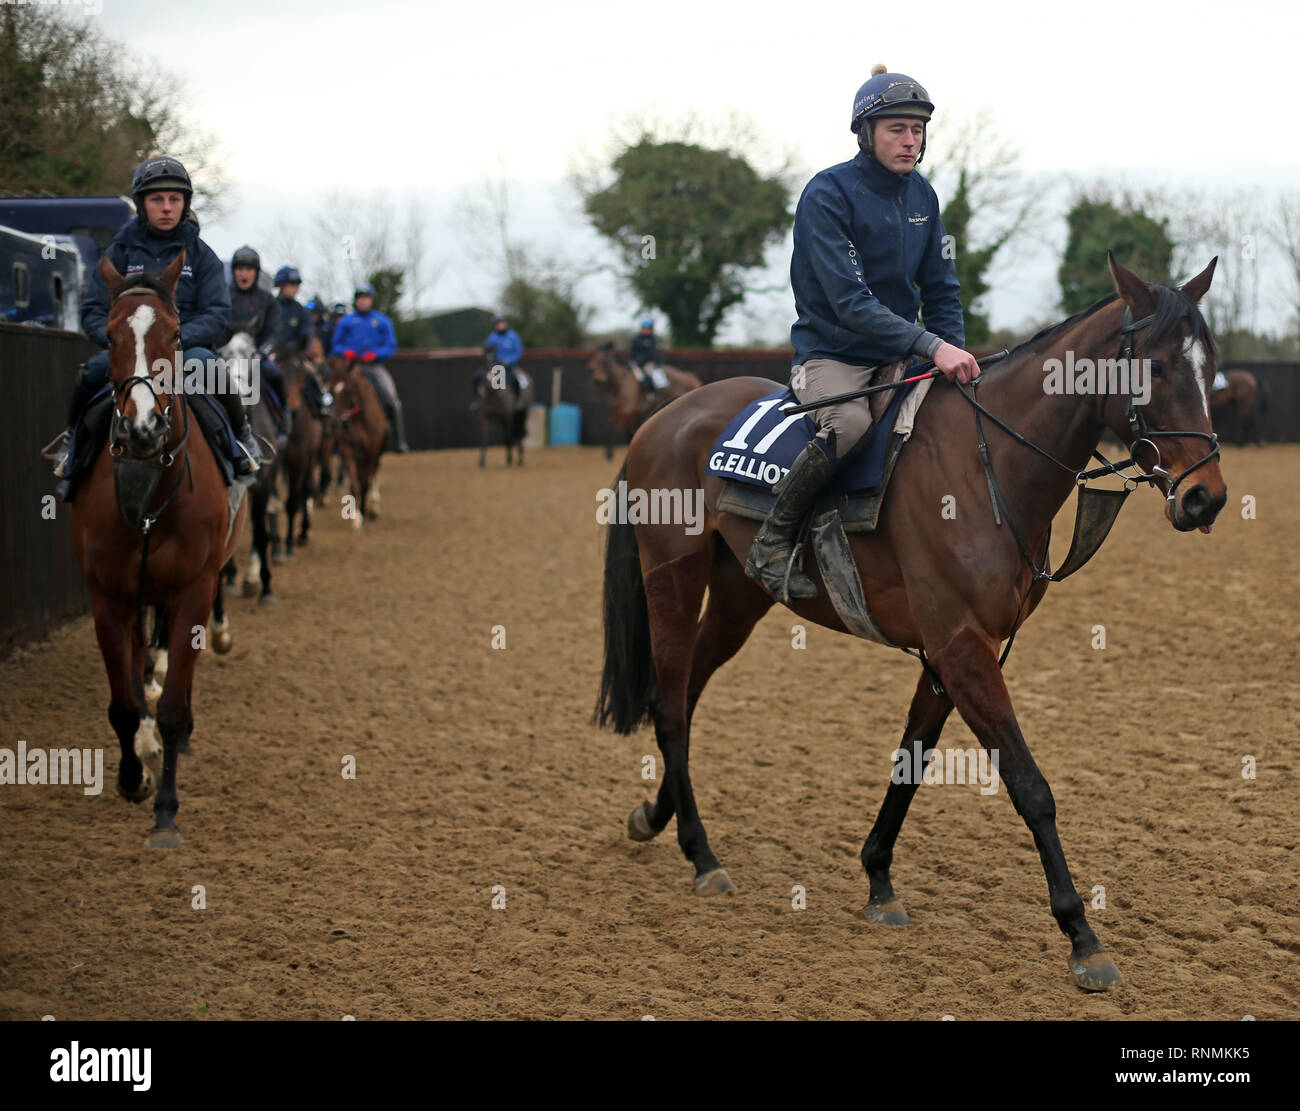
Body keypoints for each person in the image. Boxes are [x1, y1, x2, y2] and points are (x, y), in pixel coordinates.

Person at [744, 65, 980, 602]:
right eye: (897, 128)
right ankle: (773, 541)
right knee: (849, 425)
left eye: (918, 129)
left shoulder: (924, 197)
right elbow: (850, 303)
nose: (910, 140)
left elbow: (942, 290)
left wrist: (954, 352)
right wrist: (932, 346)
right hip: (832, 355)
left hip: (902, 354)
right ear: (865, 132)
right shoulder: (827, 194)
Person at [47, 155, 260, 484]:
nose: (166, 207)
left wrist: (171, 341)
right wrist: (122, 341)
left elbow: (218, 314)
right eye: (157, 199)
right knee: (91, 371)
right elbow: (92, 310)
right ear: (142, 203)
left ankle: (240, 440)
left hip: (185, 351)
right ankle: (72, 443)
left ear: (184, 204)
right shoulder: (119, 251)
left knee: (213, 370)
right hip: (130, 352)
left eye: (174, 200)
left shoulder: (203, 256)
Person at [330, 282, 409, 451]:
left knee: (392, 398)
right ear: (355, 301)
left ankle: (399, 439)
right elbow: (335, 344)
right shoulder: (347, 321)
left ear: (371, 300)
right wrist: (347, 352)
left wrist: (376, 354)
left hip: (374, 367)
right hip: (351, 368)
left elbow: (390, 346)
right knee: (335, 396)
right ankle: (333, 433)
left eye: (366, 298)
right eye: (360, 298)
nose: (363, 302)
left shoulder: (381, 321)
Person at [222, 246, 289, 438]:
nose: (244, 274)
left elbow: (275, 330)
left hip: (258, 355)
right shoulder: (223, 296)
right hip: (227, 354)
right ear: (234, 271)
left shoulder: (268, 300)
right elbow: (217, 325)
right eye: (240, 269)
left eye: (248, 269)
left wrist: (263, 351)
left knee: (274, 373)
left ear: (256, 272)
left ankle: (282, 415)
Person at [275, 267, 333, 418]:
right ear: (281, 285)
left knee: (314, 375)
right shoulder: (270, 307)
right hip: (270, 355)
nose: (295, 288)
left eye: (296, 285)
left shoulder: (302, 311)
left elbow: (307, 335)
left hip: (294, 356)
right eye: (291, 284)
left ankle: (321, 407)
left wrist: (299, 348)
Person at [628, 316, 667, 396]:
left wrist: (642, 361)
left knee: (650, 374)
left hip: (649, 363)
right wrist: (631, 360)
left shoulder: (655, 339)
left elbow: (654, 354)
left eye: (648, 328)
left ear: (651, 329)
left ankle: (651, 393)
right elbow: (632, 351)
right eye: (644, 328)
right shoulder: (637, 339)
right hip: (636, 363)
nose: (646, 330)